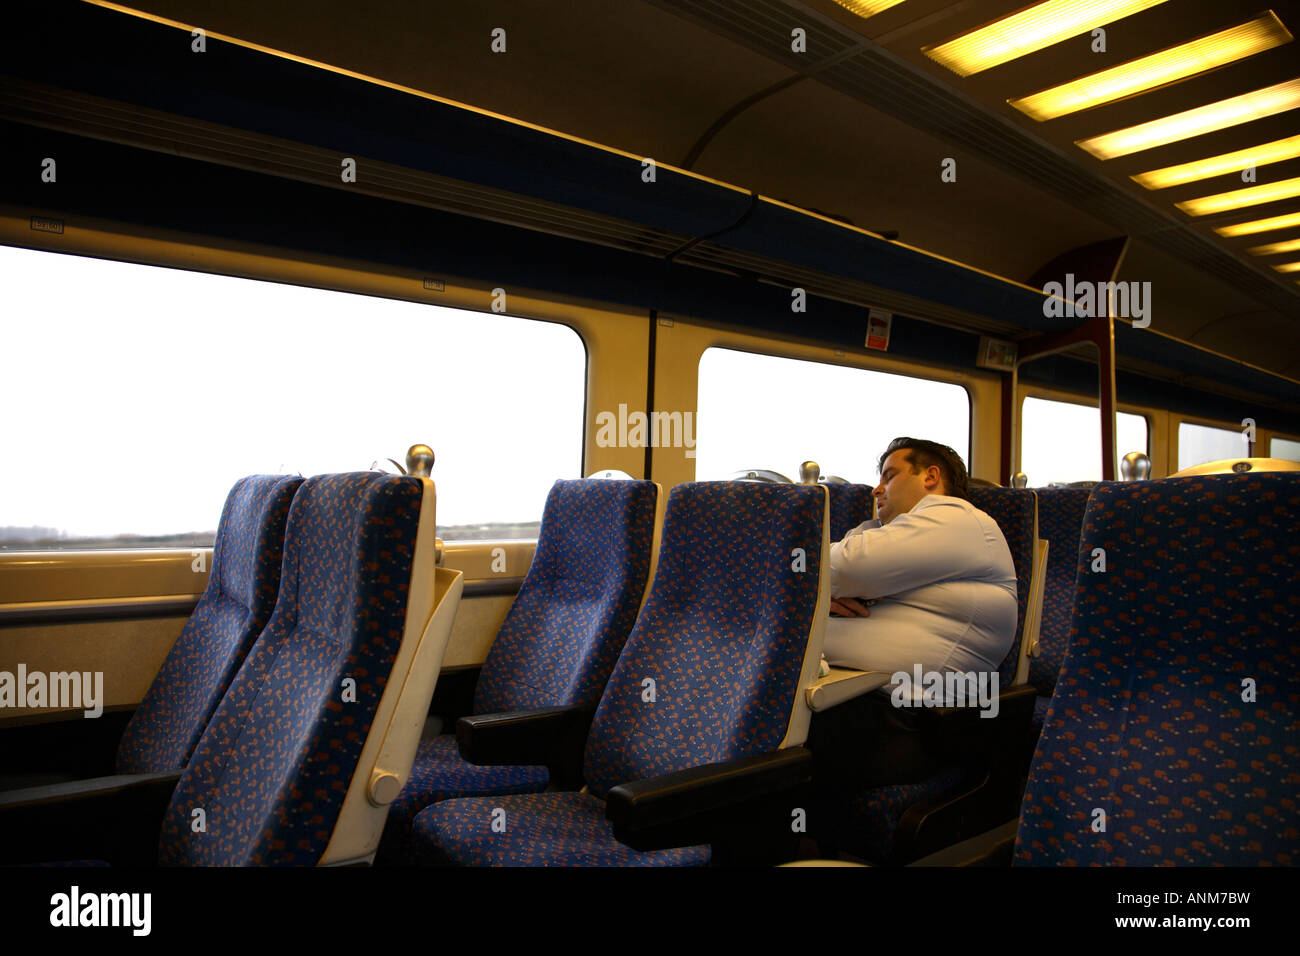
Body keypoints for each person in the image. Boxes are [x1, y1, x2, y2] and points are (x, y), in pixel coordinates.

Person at [808, 437, 1017, 794]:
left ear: (931, 477)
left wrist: (820, 590)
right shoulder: (884, 533)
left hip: (913, 723)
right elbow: (828, 569)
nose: (877, 489)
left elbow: (842, 567)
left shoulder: (959, 519)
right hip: (856, 699)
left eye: (889, 476)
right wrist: (820, 597)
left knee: (755, 744)